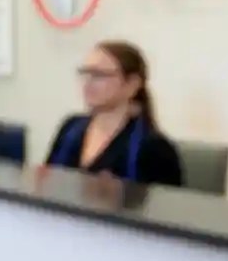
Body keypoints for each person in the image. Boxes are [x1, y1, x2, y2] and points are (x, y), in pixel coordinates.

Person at [44, 40, 183, 186]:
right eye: (85, 73)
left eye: (99, 75)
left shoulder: (154, 148)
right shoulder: (70, 128)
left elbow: (167, 207)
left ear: (132, 84)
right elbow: (47, 186)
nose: (88, 83)